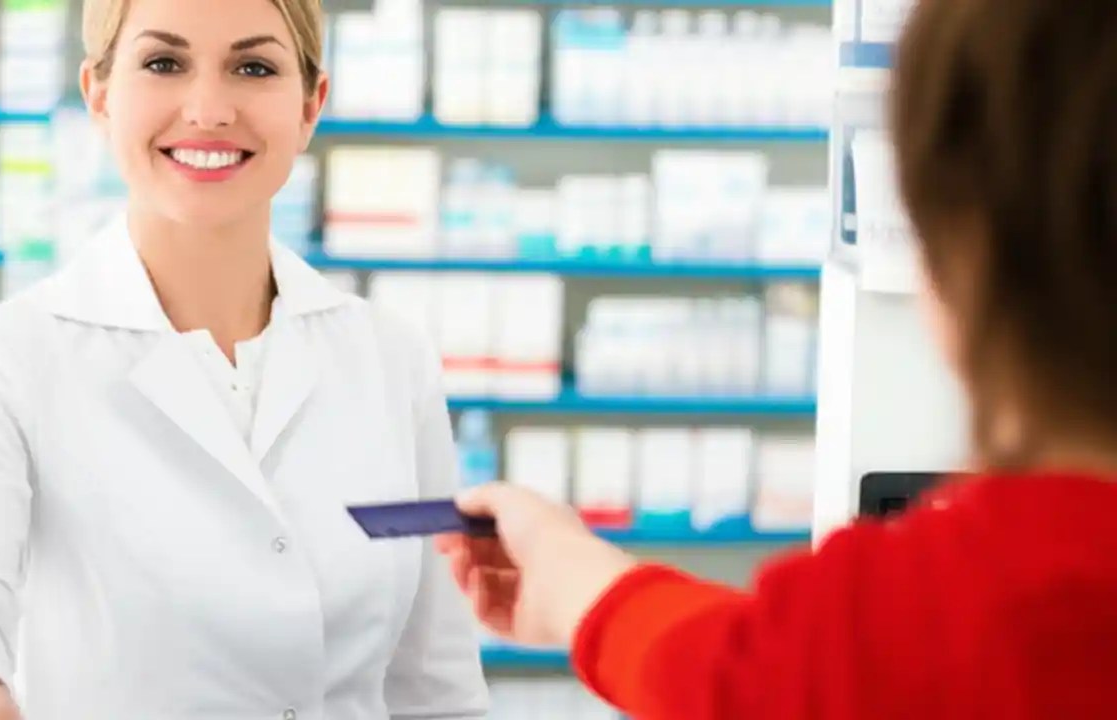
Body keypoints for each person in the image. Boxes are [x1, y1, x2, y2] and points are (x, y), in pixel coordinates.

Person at [437, 1, 1117, 718]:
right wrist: (572, 570)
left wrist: (569, 577)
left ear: (959, 267)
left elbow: (726, 673)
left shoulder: (909, 620)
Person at [0, 1, 489, 718]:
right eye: (164, 63)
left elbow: (435, 678)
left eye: (254, 67)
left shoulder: (391, 360)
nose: (208, 108)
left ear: (310, 104)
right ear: (100, 94)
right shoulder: (5, 357)